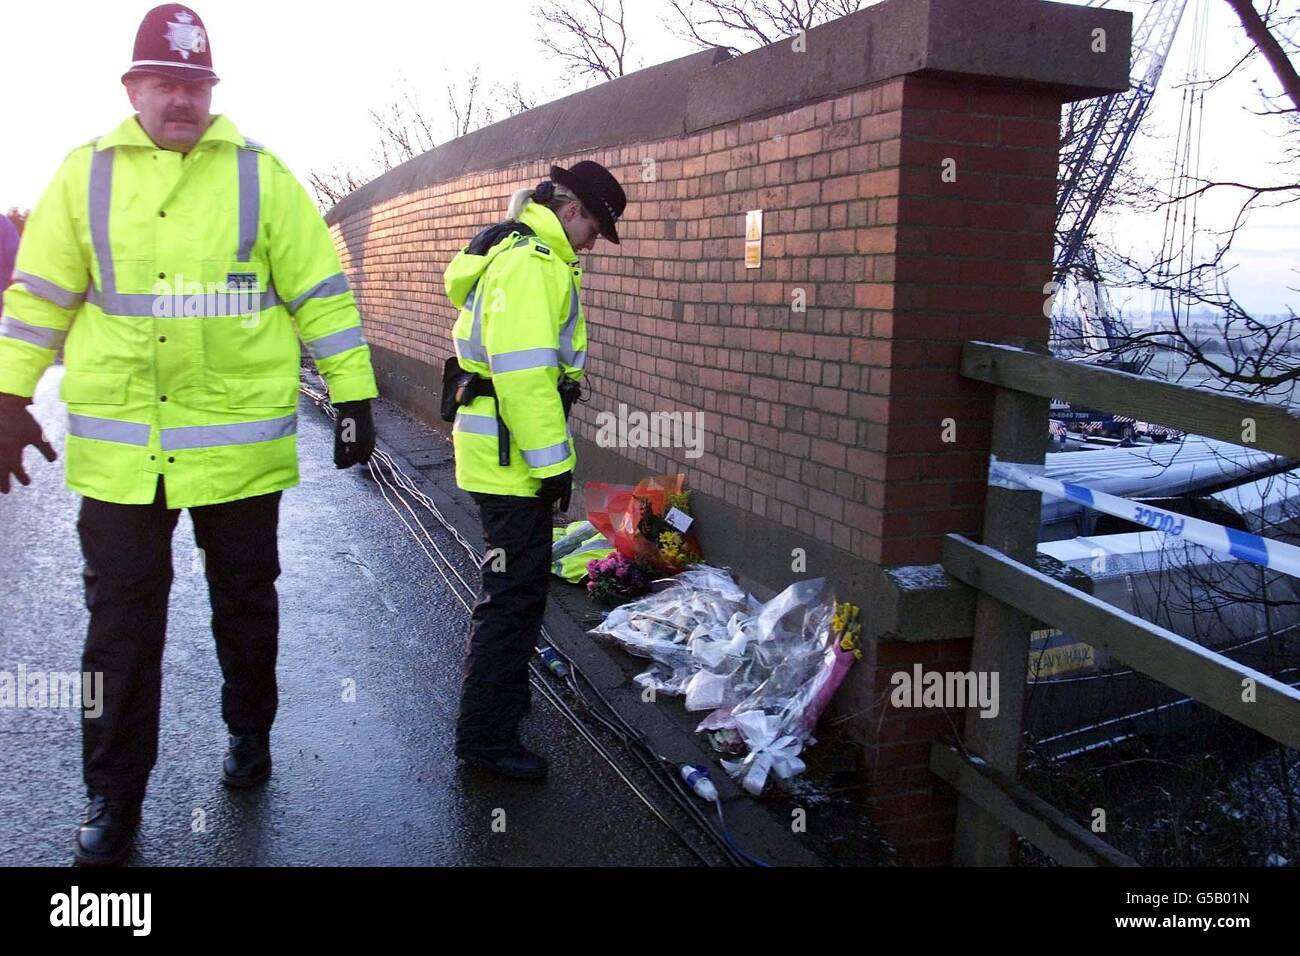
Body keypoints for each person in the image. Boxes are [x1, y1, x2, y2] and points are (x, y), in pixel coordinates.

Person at [0, 4, 378, 865]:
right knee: (119, 630)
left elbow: (320, 290)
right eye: (165, 83)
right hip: (125, 454)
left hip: (236, 452)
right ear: (133, 89)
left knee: (245, 605)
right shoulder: (84, 175)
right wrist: (5, 393)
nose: (182, 100)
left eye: (195, 84)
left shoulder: (260, 174)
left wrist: (353, 395)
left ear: (212, 92)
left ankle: (250, 732)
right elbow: (39, 297)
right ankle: (113, 795)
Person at [443, 161, 626, 779]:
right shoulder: (533, 265)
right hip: (512, 461)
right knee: (513, 600)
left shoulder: (522, 252)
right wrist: (554, 468)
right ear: (571, 211)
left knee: (515, 593)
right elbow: (523, 376)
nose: (594, 242)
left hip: (500, 452)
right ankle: (486, 740)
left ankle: (501, 706)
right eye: (596, 228)